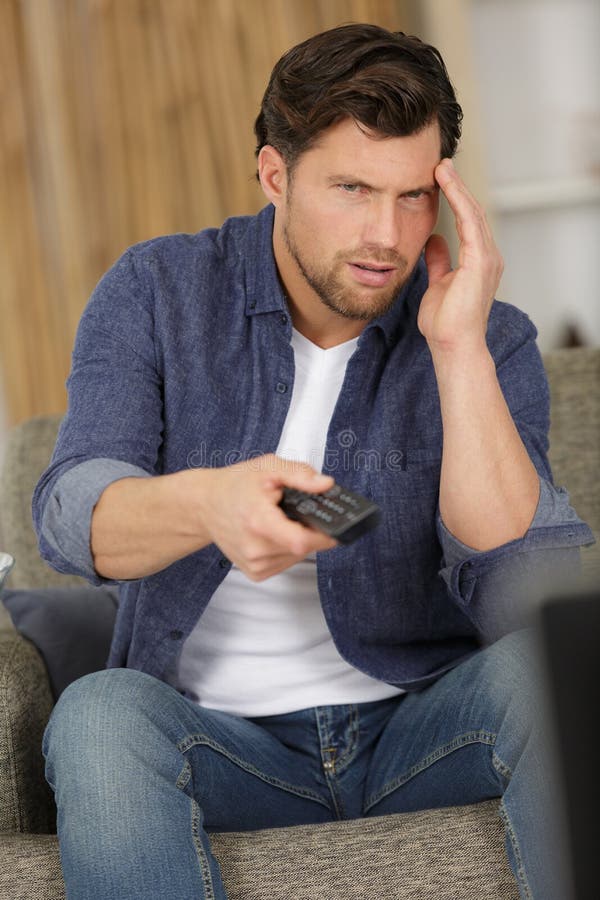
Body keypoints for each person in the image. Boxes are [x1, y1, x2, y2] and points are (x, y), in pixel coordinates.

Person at [33, 23, 593, 900]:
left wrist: (458, 351)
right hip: (219, 743)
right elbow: (73, 515)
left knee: (553, 680)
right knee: (98, 717)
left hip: (420, 726)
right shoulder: (158, 293)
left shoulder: (490, 336)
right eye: (352, 188)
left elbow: (531, 588)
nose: (386, 235)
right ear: (274, 175)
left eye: (415, 196)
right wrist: (209, 505)